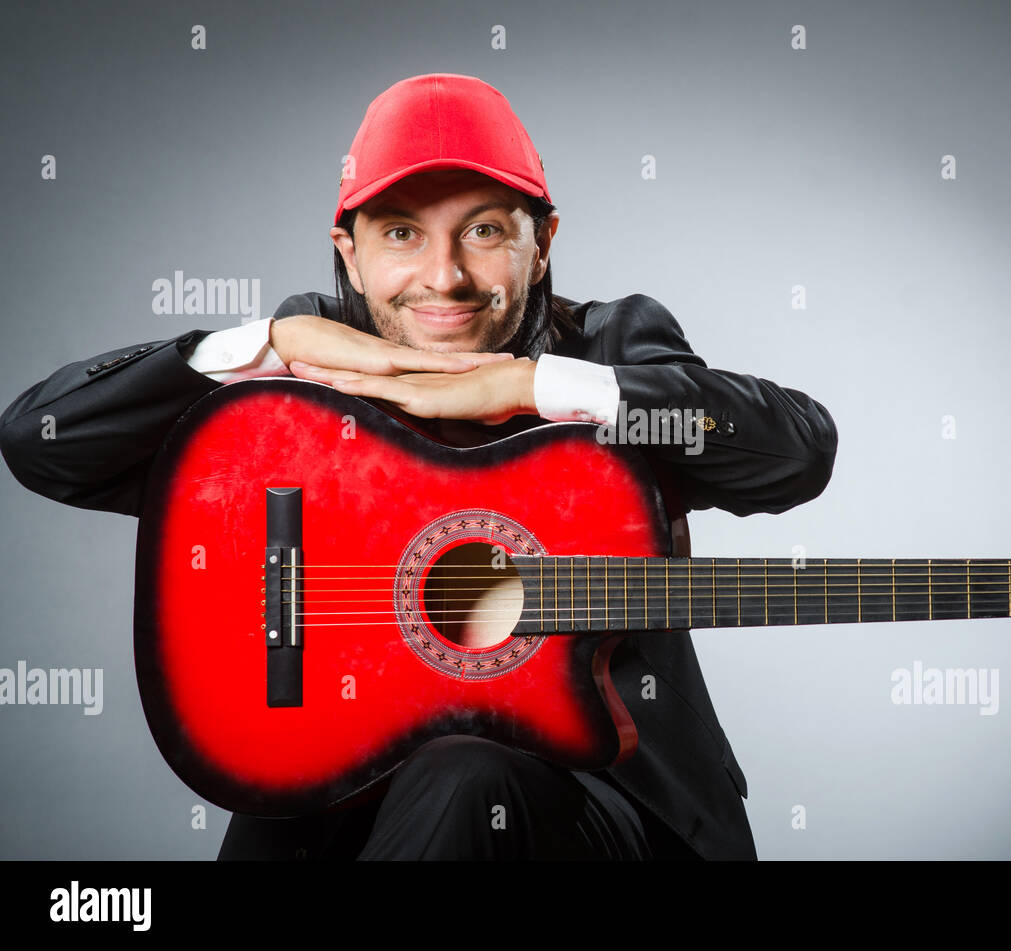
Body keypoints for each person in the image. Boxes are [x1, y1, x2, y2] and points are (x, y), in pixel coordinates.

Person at [0, 73, 837, 860]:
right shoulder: (299, 379)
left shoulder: (613, 347)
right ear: (350, 252)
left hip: (601, 805)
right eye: (401, 231)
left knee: (467, 774)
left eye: (484, 230)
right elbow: (43, 441)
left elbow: (796, 452)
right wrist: (260, 345)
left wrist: (537, 384)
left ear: (541, 244)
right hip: (323, 801)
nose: (445, 277)